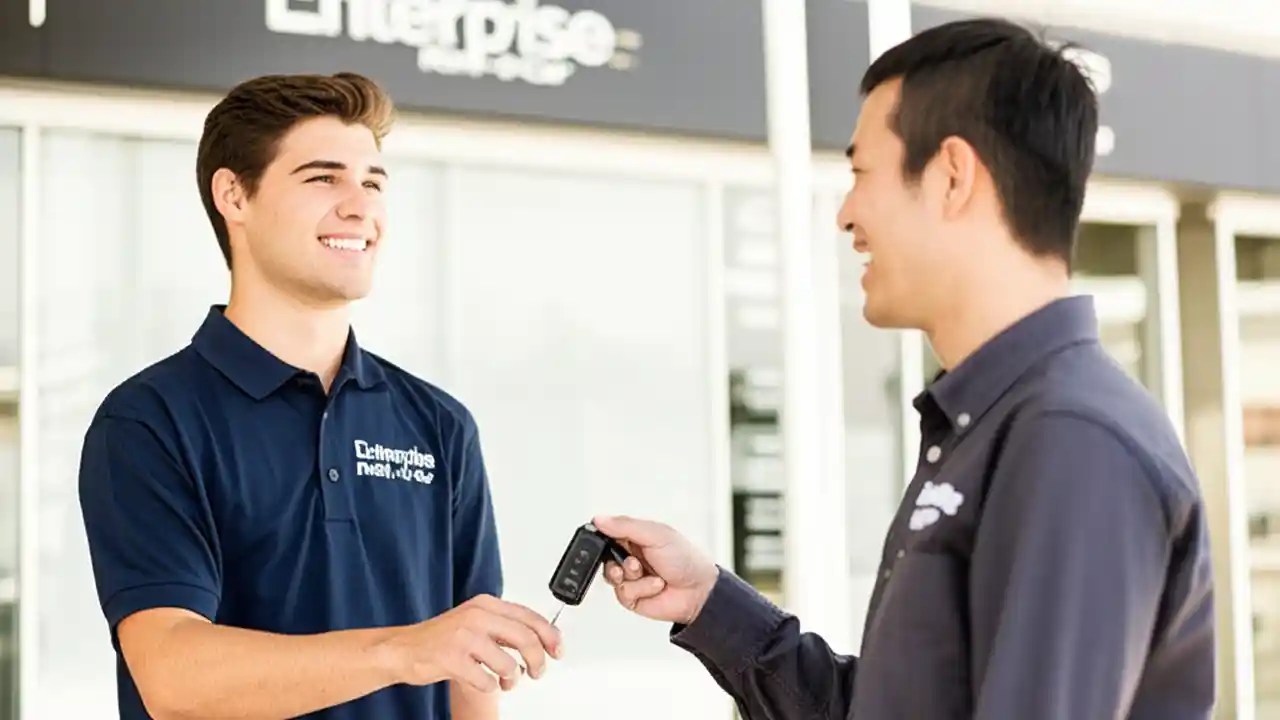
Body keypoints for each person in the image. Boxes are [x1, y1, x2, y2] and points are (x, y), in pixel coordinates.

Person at [594, 17, 1215, 720]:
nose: (847, 215)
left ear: (952, 176)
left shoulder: (1071, 440)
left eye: (861, 173)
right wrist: (710, 602)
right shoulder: (994, 425)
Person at [77, 72, 560, 720]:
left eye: (373, 182)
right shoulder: (149, 422)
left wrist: (430, 653)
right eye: (323, 178)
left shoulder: (440, 426)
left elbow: (468, 678)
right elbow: (172, 675)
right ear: (234, 196)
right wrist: (401, 652)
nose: (360, 207)